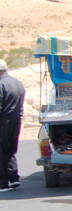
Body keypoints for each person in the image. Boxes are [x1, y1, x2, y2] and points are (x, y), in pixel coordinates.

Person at [0, 58, 25, 191]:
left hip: (4, 121)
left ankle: (3, 182)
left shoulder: (1, 84)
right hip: (17, 120)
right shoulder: (18, 83)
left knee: (2, 151)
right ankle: (14, 178)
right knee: (11, 149)